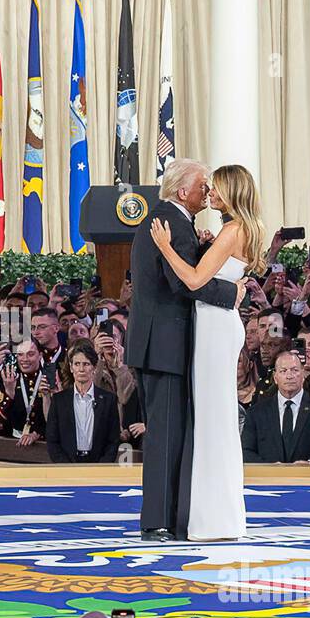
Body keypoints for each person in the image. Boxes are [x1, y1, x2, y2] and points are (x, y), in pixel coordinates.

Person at [126, 159, 244, 542]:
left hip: (158, 344)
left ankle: (172, 516)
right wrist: (233, 293)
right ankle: (158, 521)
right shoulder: (172, 224)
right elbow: (186, 284)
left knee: (170, 432)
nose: (207, 191)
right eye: (202, 185)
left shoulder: (172, 221)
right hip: (165, 346)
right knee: (164, 435)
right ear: (183, 192)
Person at [149, 163, 262, 541]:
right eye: (206, 186)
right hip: (218, 325)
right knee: (216, 418)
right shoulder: (238, 229)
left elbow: (195, 279)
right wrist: (204, 246)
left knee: (213, 419)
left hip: (215, 327)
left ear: (231, 191)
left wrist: (166, 247)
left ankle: (213, 518)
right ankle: (216, 514)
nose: (210, 192)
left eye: (215, 188)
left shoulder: (232, 231)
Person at [240, 351, 310, 464]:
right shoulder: (256, 413)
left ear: (303, 375)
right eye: (283, 371)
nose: (289, 376)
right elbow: (246, 452)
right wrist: (268, 467)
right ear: (275, 378)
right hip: (269, 480)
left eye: (294, 370)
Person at [45, 341, 121, 463]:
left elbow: (113, 440)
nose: (81, 369)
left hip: (98, 467)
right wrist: (65, 467)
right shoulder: (59, 400)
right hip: (67, 466)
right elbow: (52, 439)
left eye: (86, 364)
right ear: (71, 367)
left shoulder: (108, 400)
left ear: (94, 368)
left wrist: (102, 467)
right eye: (77, 364)